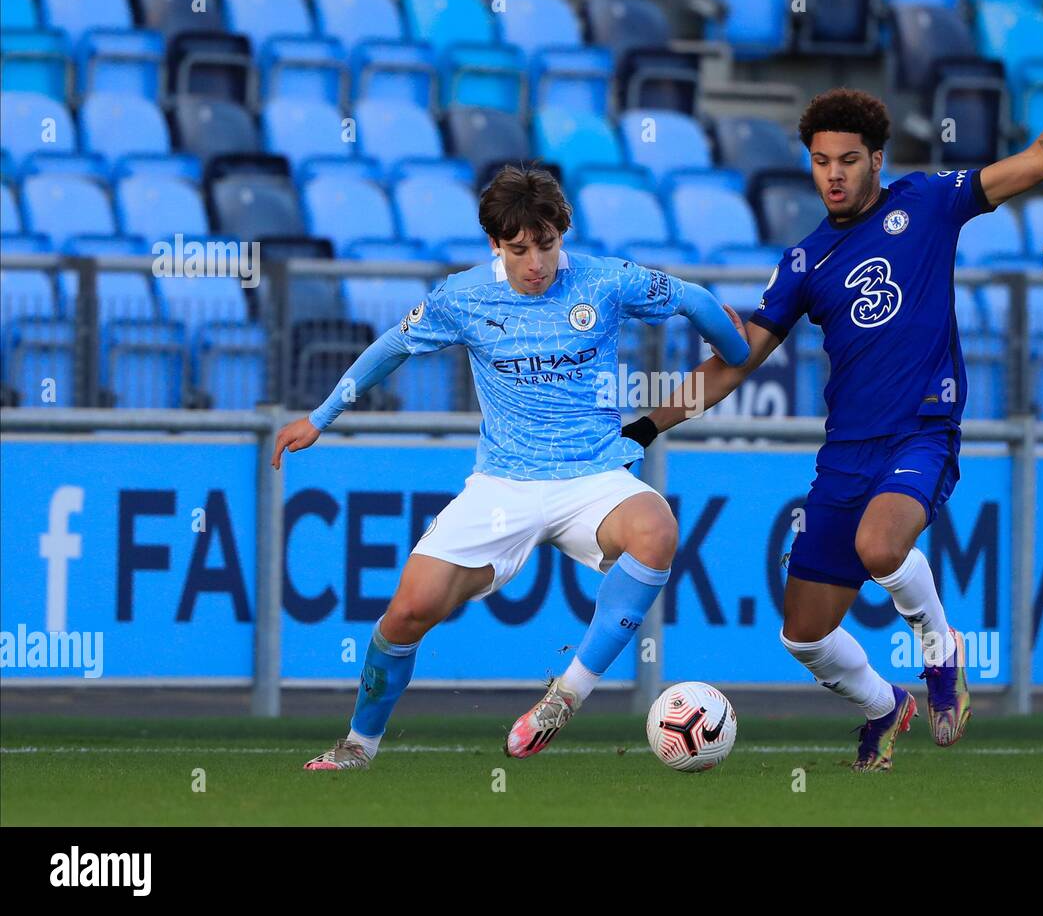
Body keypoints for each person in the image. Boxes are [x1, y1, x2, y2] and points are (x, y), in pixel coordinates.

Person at [624, 26, 1043, 771]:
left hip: (921, 430)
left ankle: (942, 659)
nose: (834, 176)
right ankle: (886, 707)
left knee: (881, 546)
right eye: (820, 162)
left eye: (848, 160)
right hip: (846, 452)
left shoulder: (934, 201)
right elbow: (736, 358)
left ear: (877, 159)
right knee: (804, 636)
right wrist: (650, 421)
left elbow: (1038, 161)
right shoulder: (807, 260)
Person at [272, 166, 750, 769]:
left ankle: (566, 696)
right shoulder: (463, 295)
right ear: (496, 244)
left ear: (561, 234)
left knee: (656, 530)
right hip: (501, 484)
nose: (536, 264)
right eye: (520, 249)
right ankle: (358, 745)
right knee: (407, 613)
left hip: (593, 477)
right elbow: (392, 345)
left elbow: (694, 299)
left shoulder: (605, 280)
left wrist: (733, 352)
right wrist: (321, 415)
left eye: (546, 245)